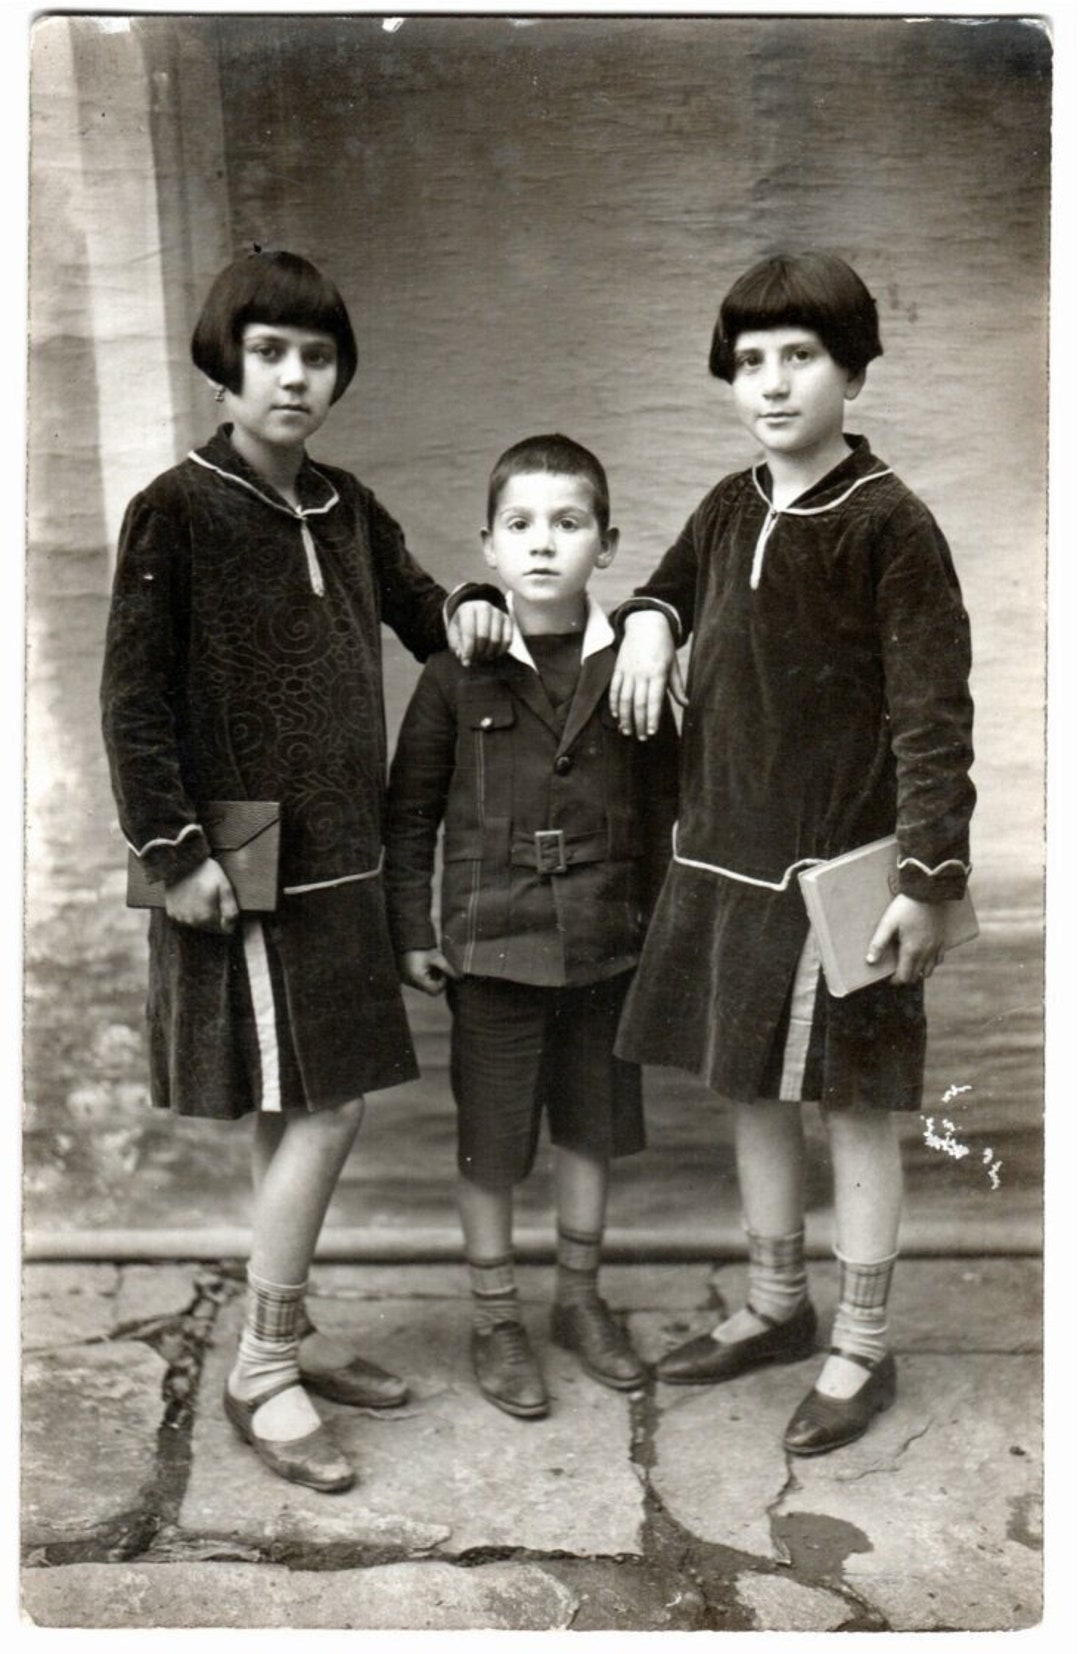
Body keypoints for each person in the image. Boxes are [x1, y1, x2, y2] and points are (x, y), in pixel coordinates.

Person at [100, 250, 510, 1493]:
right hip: (239, 863)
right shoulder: (174, 509)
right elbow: (131, 700)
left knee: (297, 1104)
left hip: (343, 858)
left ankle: (291, 1334)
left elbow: (426, 608)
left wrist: (479, 609)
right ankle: (261, 1369)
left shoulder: (346, 504)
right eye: (269, 351)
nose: (293, 375)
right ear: (224, 365)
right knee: (327, 1107)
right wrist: (173, 852)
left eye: (315, 355)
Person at [608, 252, 975, 1454]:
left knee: (855, 1112)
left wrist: (927, 880)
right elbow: (662, 587)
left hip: (846, 879)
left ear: (854, 372)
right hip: (725, 860)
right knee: (749, 1088)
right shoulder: (726, 504)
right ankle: (775, 1303)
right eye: (751, 361)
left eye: (800, 357)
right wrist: (655, 624)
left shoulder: (892, 527)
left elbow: (933, 716)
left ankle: (861, 1347)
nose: (772, 384)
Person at [384, 435, 679, 1419]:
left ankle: (580, 1301)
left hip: (605, 944)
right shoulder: (450, 673)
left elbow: (667, 811)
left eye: (568, 522)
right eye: (521, 525)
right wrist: (411, 931)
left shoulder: (632, 669)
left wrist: (662, 934)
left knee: (591, 1130)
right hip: (492, 946)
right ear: (488, 544)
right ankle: (496, 1315)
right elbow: (410, 812)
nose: (544, 543)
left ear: (608, 541)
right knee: (494, 1141)